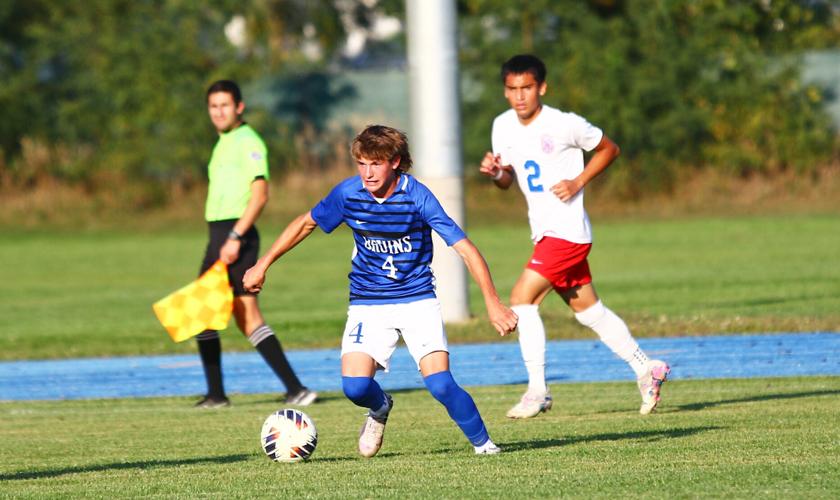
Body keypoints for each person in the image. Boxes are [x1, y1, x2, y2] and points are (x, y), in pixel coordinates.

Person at [244, 125, 518, 457]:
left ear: (395, 162)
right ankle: (380, 406)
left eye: (376, 163)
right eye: (362, 163)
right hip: (368, 301)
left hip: (417, 298)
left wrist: (493, 303)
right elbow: (306, 223)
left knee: (441, 384)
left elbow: (466, 249)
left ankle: (485, 446)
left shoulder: (417, 196)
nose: (368, 173)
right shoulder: (348, 194)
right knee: (355, 387)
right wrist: (263, 264)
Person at [479, 54, 670, 418]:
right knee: (589, 311)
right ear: (505, 91)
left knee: (521, 299)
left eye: (527, 88)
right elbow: (507, 180)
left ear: (542, 88)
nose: (520, 96)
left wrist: (578, 181)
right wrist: (496, 173)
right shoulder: (502, 125)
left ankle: (537, 391)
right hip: (544, 233)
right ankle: (647, 367)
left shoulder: (564, 124)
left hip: (566, 232)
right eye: (512, 89)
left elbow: (609, 148)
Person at [194, 80, 317, 408]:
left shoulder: (249, 141)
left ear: (239, 107)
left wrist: (235, 237)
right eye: (213, 106)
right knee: (227, 315)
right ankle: (293, 389)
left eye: (225, 105)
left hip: (236, 234)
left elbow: (260, 195)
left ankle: (219, 395)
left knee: (214, 312)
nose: (219, 112)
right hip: (220, 233)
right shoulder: (223, 142)